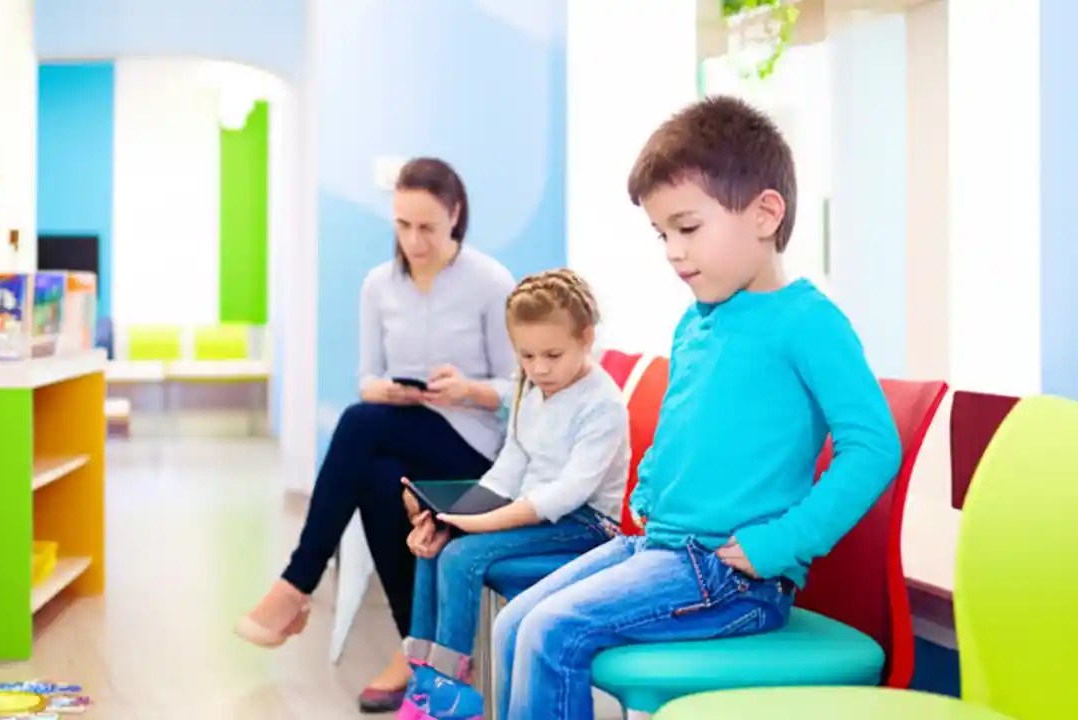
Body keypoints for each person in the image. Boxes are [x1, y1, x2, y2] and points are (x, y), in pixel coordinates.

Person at [491, 96, 903, 720]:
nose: (673, 252)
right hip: (660, 546)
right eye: (662, 234)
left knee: (553, 633)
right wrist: (651, 487)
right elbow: (686, 422)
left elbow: (873, 446)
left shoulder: (810, 322)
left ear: (766, 213)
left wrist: (785, 540)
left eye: (688, 228)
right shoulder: (696, 322)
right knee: (514, 623)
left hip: (734, 576)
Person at [235, 157, 517, 713]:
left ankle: (297, 584)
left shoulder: (490, 281)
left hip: (473, 444)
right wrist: (389, 391)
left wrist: (466, 390)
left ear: (455, 216)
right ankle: (416, 650)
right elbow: (367, 378)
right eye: (403, 226)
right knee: (376, 475)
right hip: (400, 428)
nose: (415, 240)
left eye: (428, 227)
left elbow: (516, 388)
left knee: (359, 428)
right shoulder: (378, 286)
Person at [398, 269, 629, 717]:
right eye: (526, 356)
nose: (539, 368)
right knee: (435, 551)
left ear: (586, 337)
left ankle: (449, 693)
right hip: (531, 515)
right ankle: (424, 681)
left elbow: (568, 493)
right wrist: (453, 516)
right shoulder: (529, 385)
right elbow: (512, 463)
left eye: (552, 354)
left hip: (585, 524)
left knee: (463, 556)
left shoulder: (602, 403)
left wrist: (478, 524)